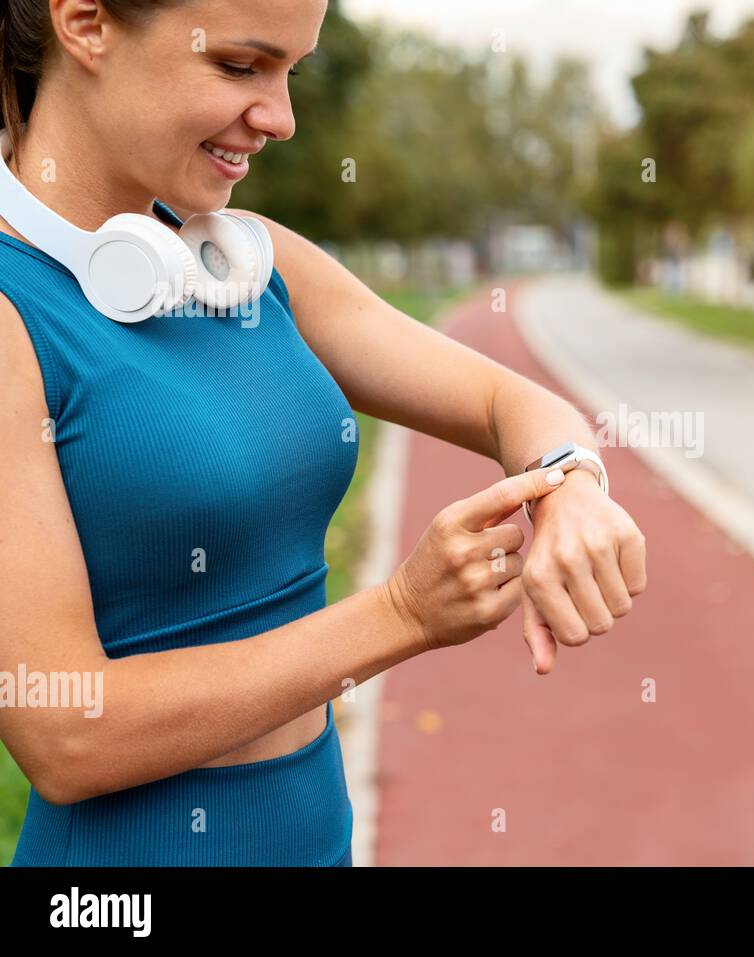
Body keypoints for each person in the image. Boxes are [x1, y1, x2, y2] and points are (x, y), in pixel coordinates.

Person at [0, 0, 646, 866]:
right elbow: (67, 737)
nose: (282, 118)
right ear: (85, 24)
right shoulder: (14, 314)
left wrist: (572, 481)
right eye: (239, 66)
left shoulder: (246, 263)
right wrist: (402, 613)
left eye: (291, 73)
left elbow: (509, 404)